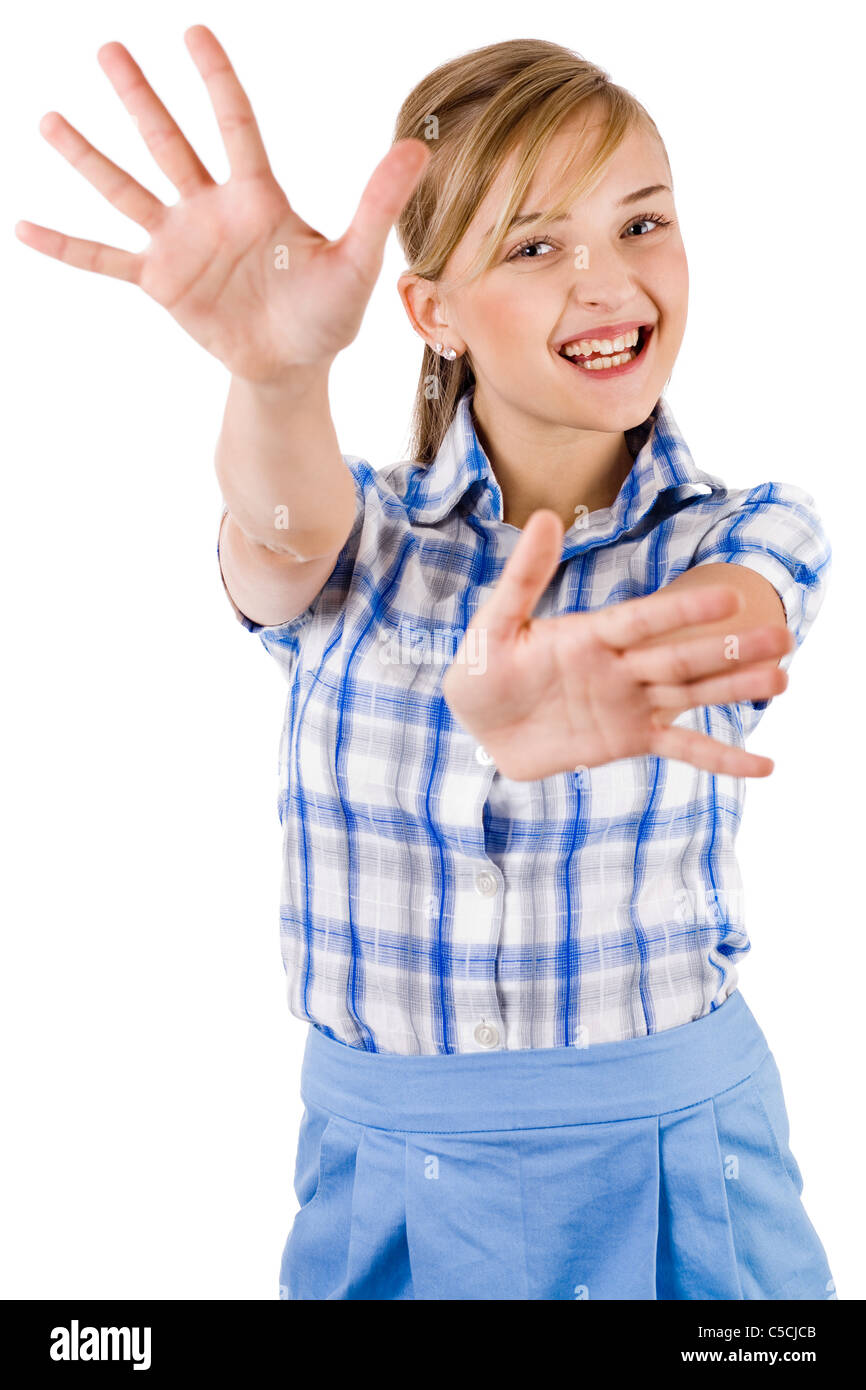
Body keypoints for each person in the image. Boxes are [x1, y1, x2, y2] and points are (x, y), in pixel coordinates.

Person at [17, 25, 836, 1301]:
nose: (610, 280)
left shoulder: (744, 525)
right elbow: (275, 532)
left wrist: (622, 664)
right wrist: (280, 377)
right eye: (534, 245)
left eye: (639, 223)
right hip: (387, 1171)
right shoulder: (359, 539)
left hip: (682, 1169)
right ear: (431, 312)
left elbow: (741, 620)